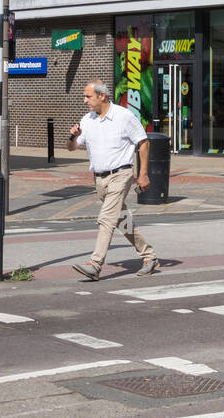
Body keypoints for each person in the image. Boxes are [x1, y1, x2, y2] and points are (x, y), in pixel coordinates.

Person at [66, 80, 159, 281]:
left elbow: (143, 143)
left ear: (102, 96)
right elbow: (72, 148)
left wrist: (143, 174)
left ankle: (95, 264)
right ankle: (149, 256)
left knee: (106, 219)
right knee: (121, 220)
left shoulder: (124, 116)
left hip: (121, 174)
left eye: (88, 96)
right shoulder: (87, 120)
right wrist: (72, 136)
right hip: (99, 180)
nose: (85, 101)